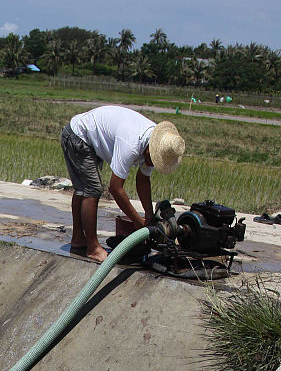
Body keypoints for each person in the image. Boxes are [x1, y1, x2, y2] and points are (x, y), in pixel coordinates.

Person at [59, 105, 186, 261]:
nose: (153, 164)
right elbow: (115, 188)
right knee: (92, 189)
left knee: (83, 189)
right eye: (154, 160)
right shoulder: (131, 143)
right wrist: (137, 221)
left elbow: (143, 180)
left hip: (88, 136)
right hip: (78, 135)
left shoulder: (158, 143)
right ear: (150, 150)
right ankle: (92, 248)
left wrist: (149, 215)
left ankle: (78, 238)